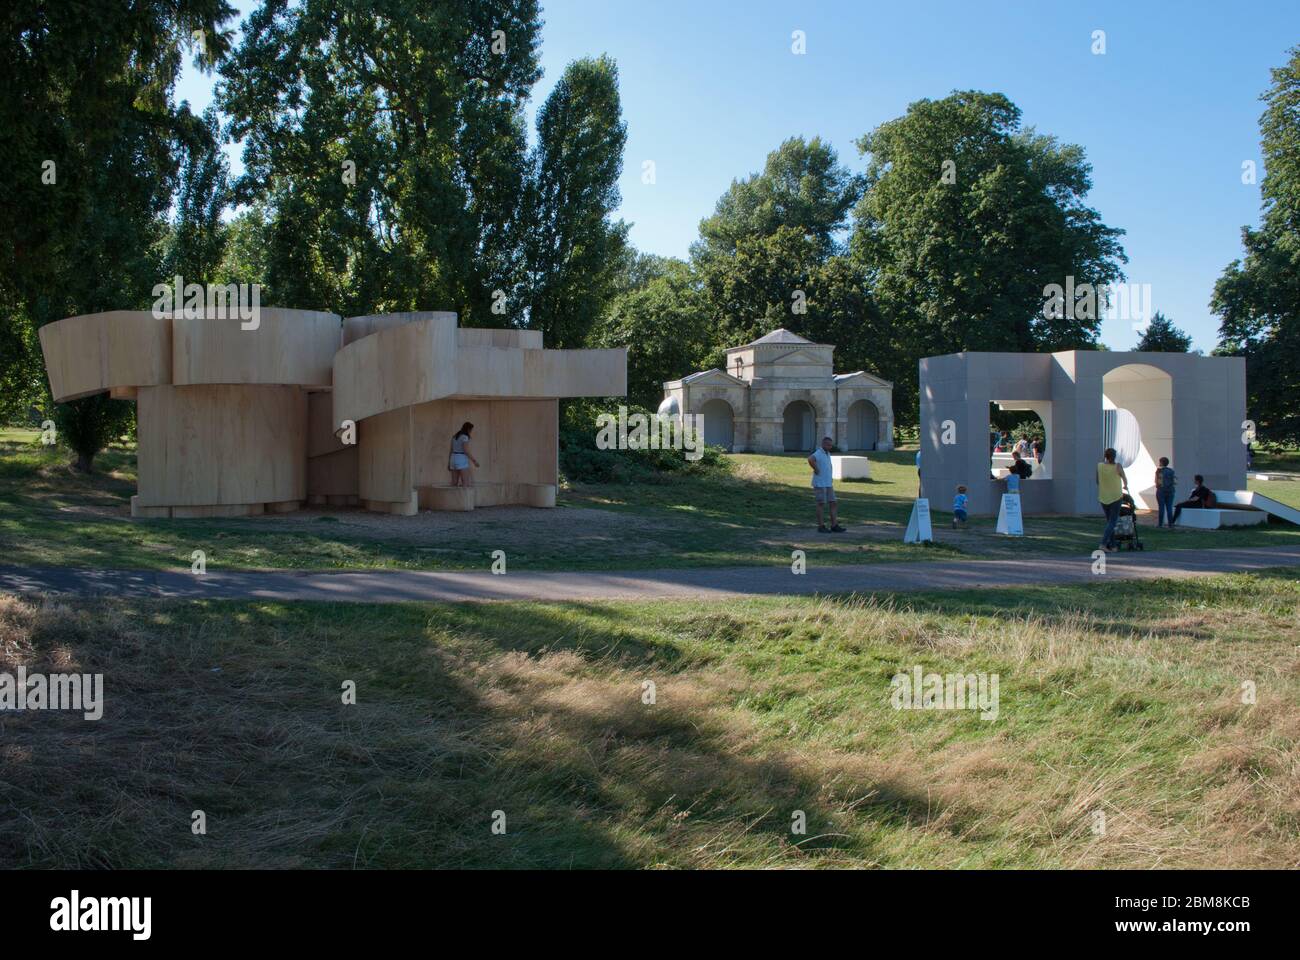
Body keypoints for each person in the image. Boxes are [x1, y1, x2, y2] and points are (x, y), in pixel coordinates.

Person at [808, 436, 845, 533]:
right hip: (820, 483)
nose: (830, 447)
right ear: (823, 444)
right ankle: (821, 526)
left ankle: (834, 525)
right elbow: (810, 459)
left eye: (831, 445)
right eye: (828, 445)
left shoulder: (827, 453)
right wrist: (816, 469)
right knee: (821, 504)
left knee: (833, 502)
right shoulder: (819, 453)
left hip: (828, 483)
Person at [1097, 448, 1128, 551]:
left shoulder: (1099, 466)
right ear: (1115, 456)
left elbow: (1097, 481)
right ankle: (1103, 544)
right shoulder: (1118, 466)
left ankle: (1114, 546)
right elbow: (1125, 479)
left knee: (1109, 521)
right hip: (1116, 497)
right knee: (1112, 522)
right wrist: (1125, 486)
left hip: (1103, 496)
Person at [449, 421, 479, 487]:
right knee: (465, 483)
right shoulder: (465, 437)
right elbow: (466, 451)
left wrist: (449, 463)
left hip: (453, 458)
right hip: (461, 458)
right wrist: (474, 461)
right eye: (471, 430)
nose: (471, 431)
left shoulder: (454, 436)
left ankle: (454, 497)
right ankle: (464, 497)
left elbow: (451, 450)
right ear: (468, 429)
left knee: (454, 483)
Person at [1154, 456, 1177, 528]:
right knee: (1169, 507)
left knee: (1161, 507)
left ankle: (1160, 524)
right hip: (1170, 491)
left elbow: (1158, 482)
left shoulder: (1159, 471)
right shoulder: (1171, 471)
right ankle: (1170, 524)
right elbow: (1175, 481)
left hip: (1161, 491)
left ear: (1161, 462)